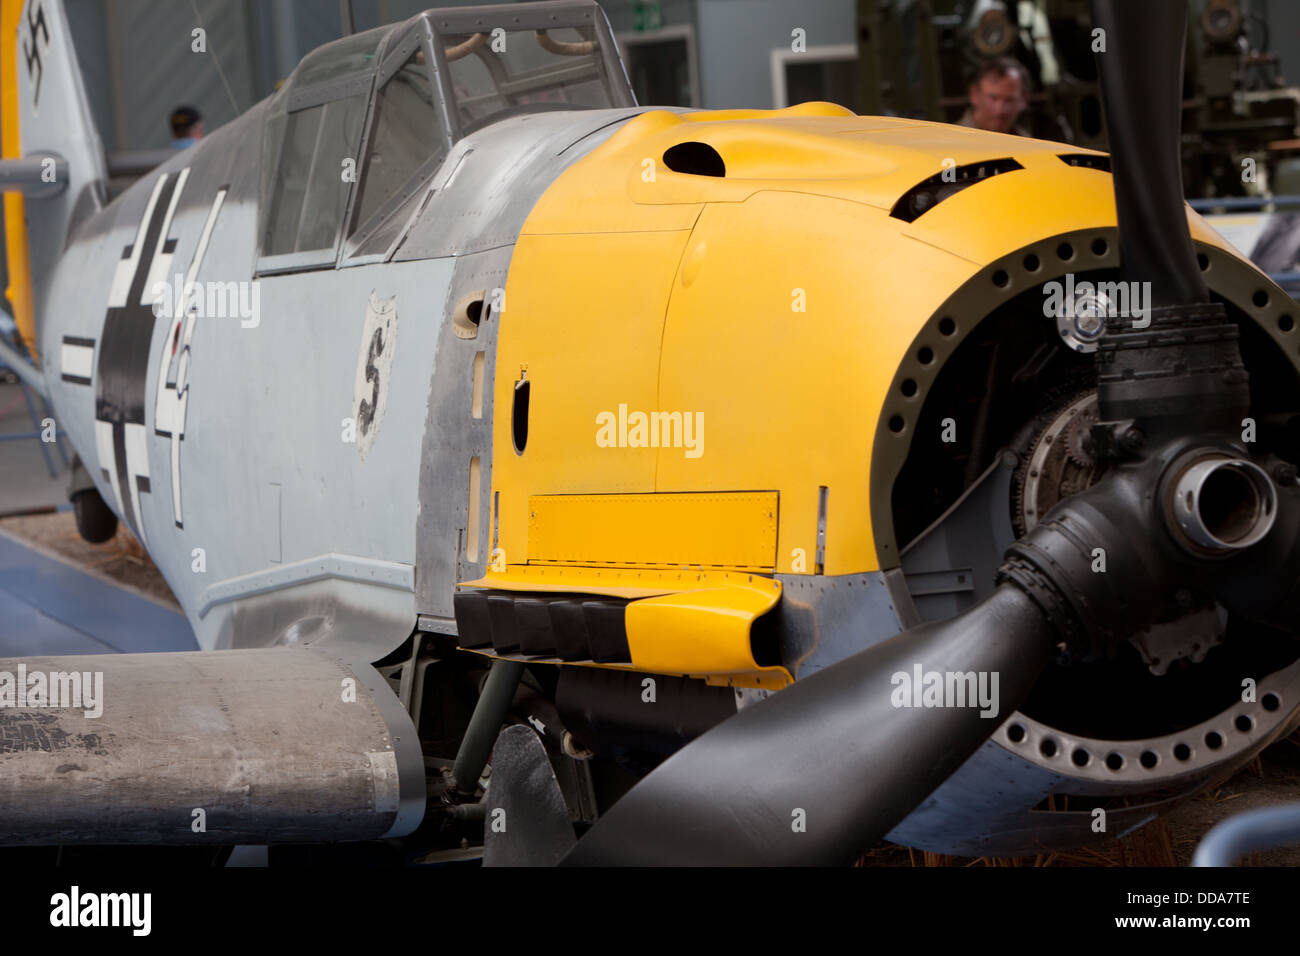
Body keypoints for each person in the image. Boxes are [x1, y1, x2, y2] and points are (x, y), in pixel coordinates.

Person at [957, 58, 1030, 136]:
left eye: (1009, 100)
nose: (1000, 110)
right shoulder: (951, 140)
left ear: (1023, 100)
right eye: (993, 98)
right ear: (974, 94)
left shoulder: (1028, 142)